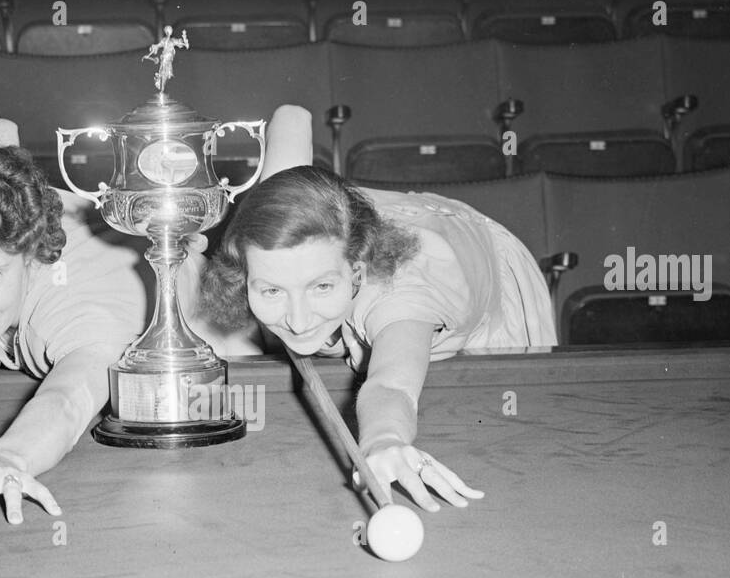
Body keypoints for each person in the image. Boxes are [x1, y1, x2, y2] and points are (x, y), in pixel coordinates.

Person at [199, 106, 558, 513]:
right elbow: (292, 117)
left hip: (474, 249)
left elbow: (390, 385)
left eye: (322, 287)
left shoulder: (400, 293)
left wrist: (384, 440)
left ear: (357, 269)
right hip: (367, 218)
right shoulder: (269, 239)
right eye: (271, 291)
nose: (297, 322)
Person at [0, 118, 195, 528]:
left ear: (30, 254)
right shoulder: (2, 203)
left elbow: (68, 397)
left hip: (237, 357)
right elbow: (0, 132)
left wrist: (8, 457)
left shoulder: (72, 308)